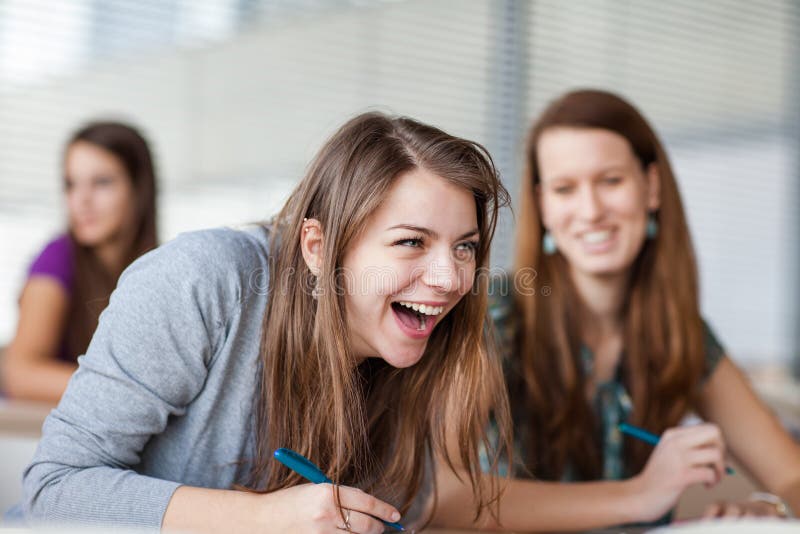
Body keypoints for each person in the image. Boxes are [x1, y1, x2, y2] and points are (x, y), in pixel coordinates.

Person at [9, 112, 512, 533]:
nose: (450, 279)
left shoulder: (398, 345)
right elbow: (52, 491)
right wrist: (260, 517)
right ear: (318, 247)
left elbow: (419, 499)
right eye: (412, 241)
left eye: (464, 246)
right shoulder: (202, 279)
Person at [433, 89, 800, 531]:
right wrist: (639, 496)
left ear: (652, 187)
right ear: (544, 205)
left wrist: (772, 508)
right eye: (565, 188)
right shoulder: (487, 316)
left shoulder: (680, 334)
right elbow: (446, 494)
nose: (590, 211)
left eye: (610, 181)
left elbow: (791, 474)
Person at [1, 121, 158, 403]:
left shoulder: (159, 268)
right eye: (71, 184)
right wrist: (128, 391)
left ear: (139, 189)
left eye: (102, 182)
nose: (81, 201)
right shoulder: (56, 258)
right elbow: (20, 375)